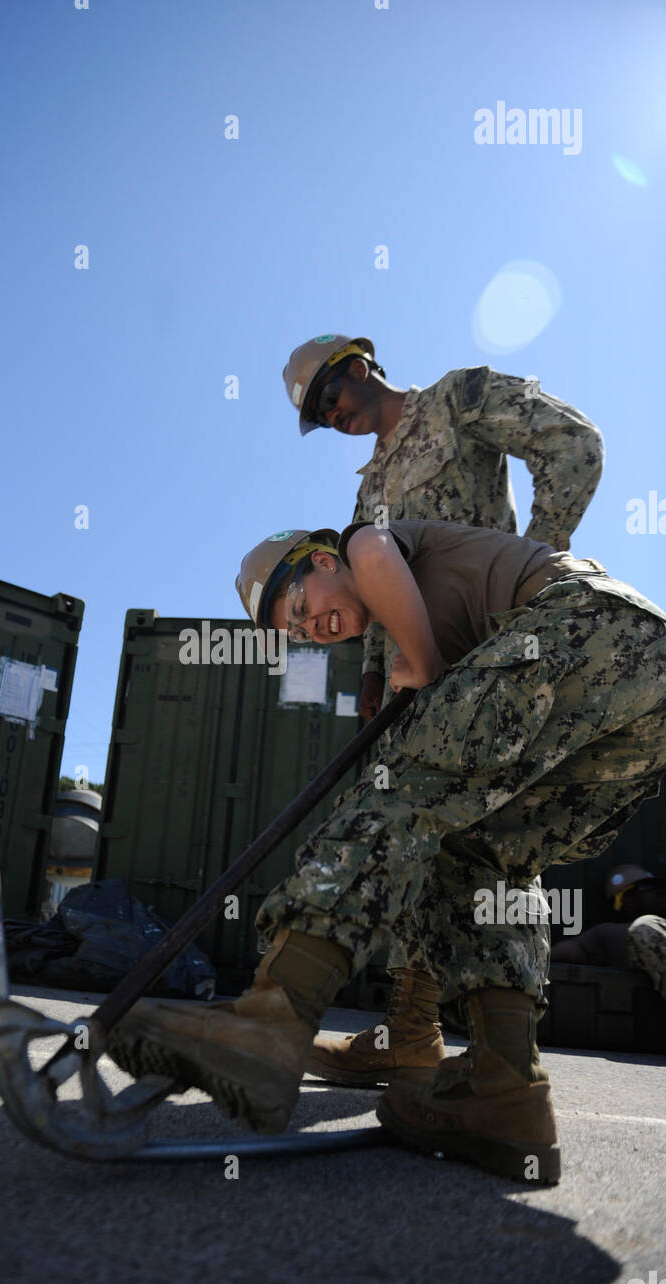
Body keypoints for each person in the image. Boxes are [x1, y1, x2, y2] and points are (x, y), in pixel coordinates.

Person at [108, 519, 666, 1183]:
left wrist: (422, 666)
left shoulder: (366, 544)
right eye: (293, 631)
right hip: (644, 704)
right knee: (481, 858)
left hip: (591, 628)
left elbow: (372, 550)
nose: (306, 628)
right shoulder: (424, 619)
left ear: (319, 558)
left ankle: (269, 1024)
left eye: (297, 607)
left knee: (394, 792)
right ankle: (504, 1091)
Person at [282, 334, 605, 1087]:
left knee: (494, 843)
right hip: (422, 680)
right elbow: (372, 578)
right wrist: (369, 674)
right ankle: (411, 1033)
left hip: (497, 655)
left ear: (358, 367)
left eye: (330, 399)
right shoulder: (366, 492)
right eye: (320, 417)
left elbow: (572, 444)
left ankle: (506, 1065)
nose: (332, 417)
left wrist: (535, 571)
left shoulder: (458, 399)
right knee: (420, 843)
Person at [551, 864, 666, 1001]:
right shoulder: (610, 933)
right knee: (645, 926)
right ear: (626, 899)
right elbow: (568, 951)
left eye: (659, 887)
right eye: (648, 887)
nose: (659, 892)